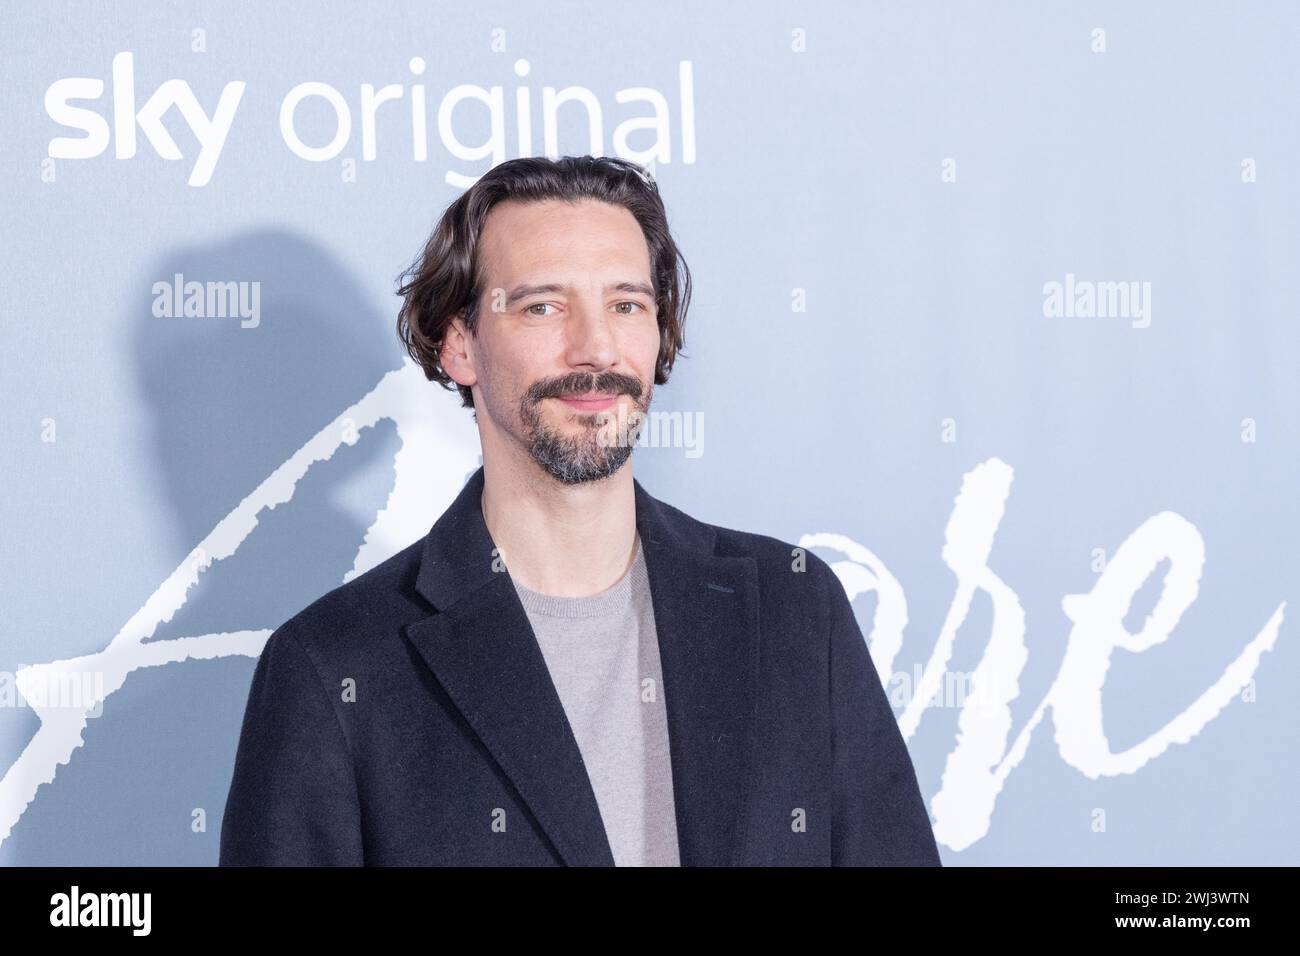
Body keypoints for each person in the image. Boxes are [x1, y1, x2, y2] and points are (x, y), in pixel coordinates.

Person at [219, 155, 941, 866]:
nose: (596, 347)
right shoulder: (335, 668)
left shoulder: (793, 609)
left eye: (626, 305)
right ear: (461, 345)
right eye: (543, 306)